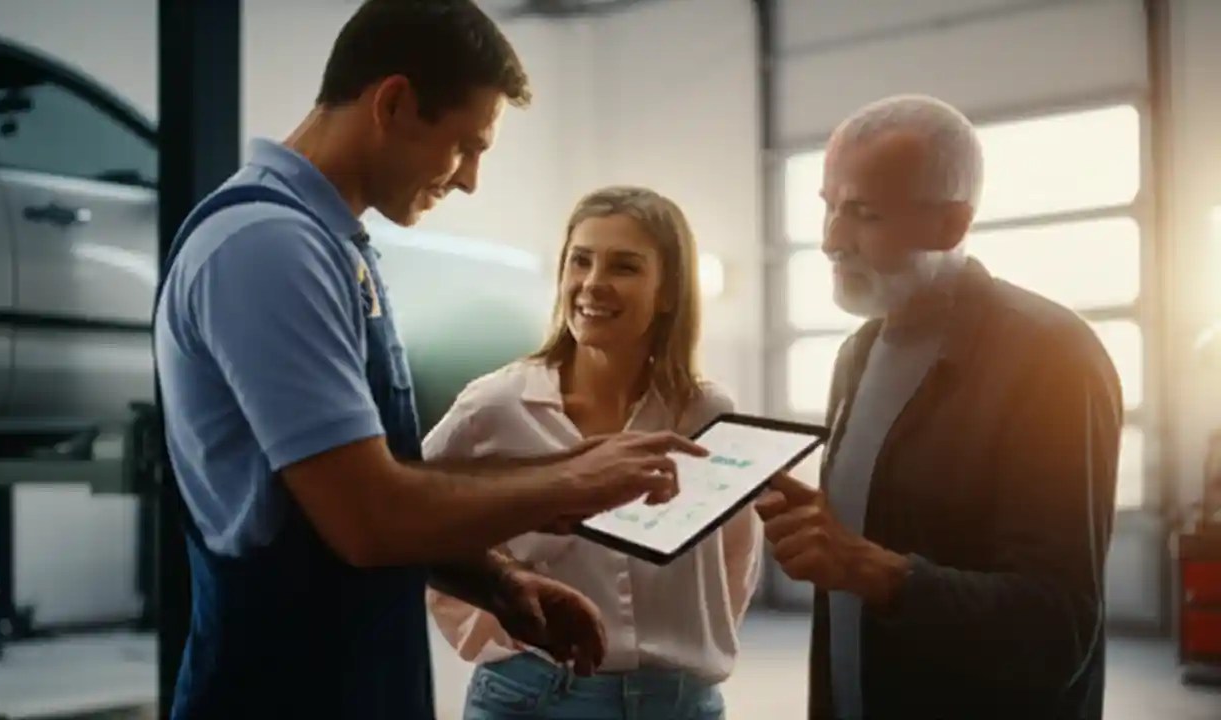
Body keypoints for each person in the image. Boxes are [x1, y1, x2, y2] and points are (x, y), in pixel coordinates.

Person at [152, 3, 706, 718]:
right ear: (394, 103)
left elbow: (363, 486)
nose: (470, 179)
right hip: (280, 690)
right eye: (466, 146)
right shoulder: (268, 248)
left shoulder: (331, 245)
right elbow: (369, 516)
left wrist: (498, 580)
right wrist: (572, 479)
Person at [756, 94, 1123, 719]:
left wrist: (875, 571)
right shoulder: (859, 352)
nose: (830, 242)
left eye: (865, 214)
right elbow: (896, 533)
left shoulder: (1052, 358)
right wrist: (832, 521)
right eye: (828, 208)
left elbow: (1057, 629)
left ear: (951, 225)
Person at [424, 186, 764, 720]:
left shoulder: (706, 413)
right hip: (533, 699)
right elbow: (415, 517)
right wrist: (490, 624)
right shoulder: (495, 405)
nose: (593, 283)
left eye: (624, 266)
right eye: (580, 261)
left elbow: (734, 559)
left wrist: (682, 648)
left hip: (678, 705)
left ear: (669, 291)